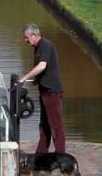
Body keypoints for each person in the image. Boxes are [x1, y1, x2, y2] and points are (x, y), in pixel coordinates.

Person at [18, 23, 66, 155]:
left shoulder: (46, 45)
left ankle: (60, 155)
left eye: (26, 37)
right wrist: (37, 80)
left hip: (52, 92)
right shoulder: (38, 47)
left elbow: (42, 66)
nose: (25, 40)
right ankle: (41, 155)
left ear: (34, 35)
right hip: (44, 91)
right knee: (44, 124)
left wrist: (24, 78)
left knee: (56, 125)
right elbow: (44, 69)